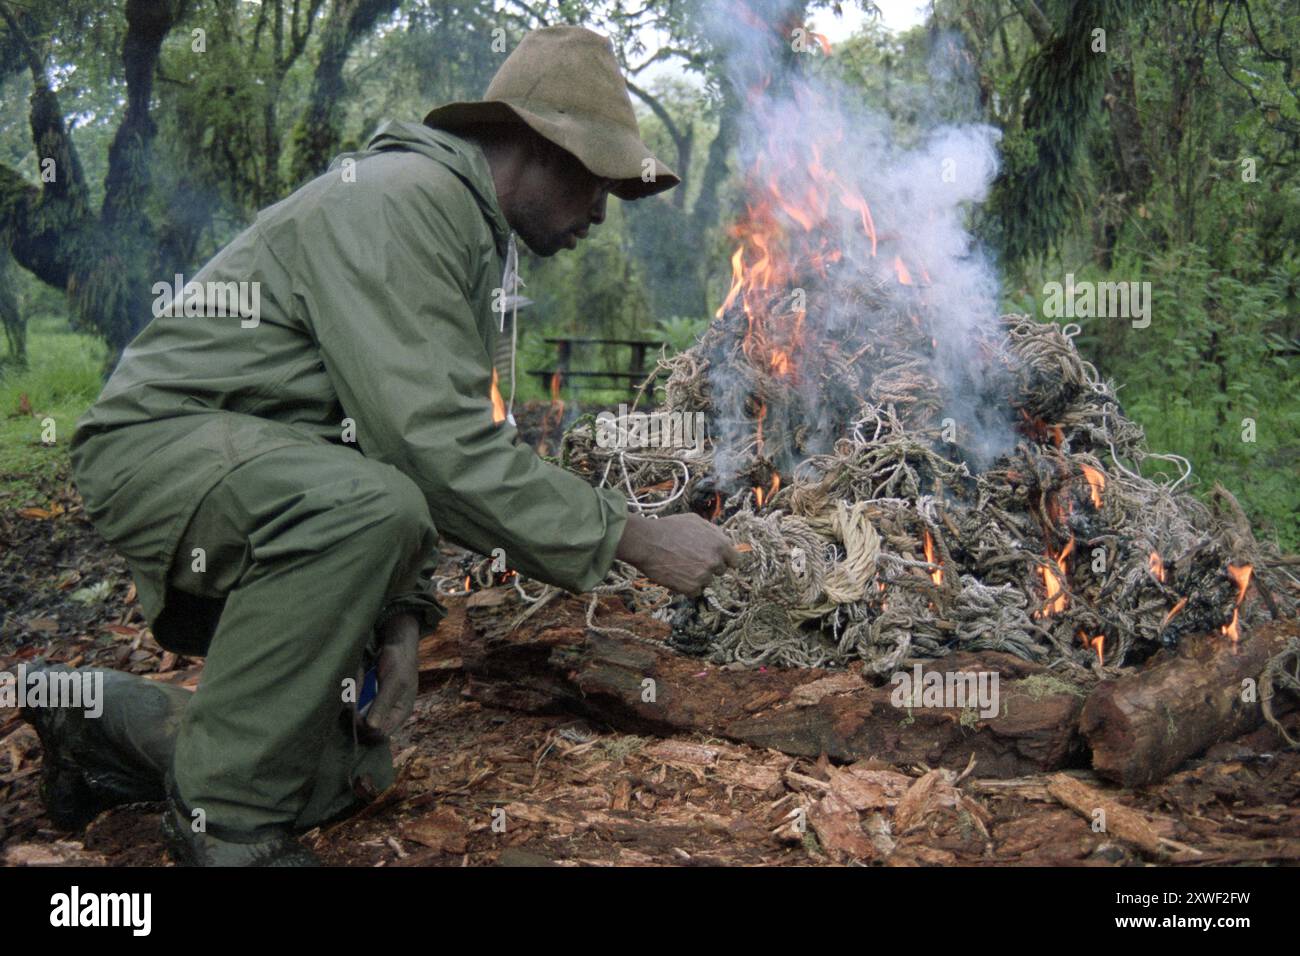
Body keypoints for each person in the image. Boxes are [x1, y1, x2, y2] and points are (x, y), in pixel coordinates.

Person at [28, 25, 738, 866]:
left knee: (337, 775)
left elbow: (378, 433)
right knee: (261, 773)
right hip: (163, 447)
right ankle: (226, 829)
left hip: (262, 468)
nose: (597, 212)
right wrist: (643, 538)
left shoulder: (455, 225)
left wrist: (402, 617)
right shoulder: (404, 198)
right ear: (532, 144)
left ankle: (95, 720)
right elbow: (430, 446)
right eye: (595, 181)